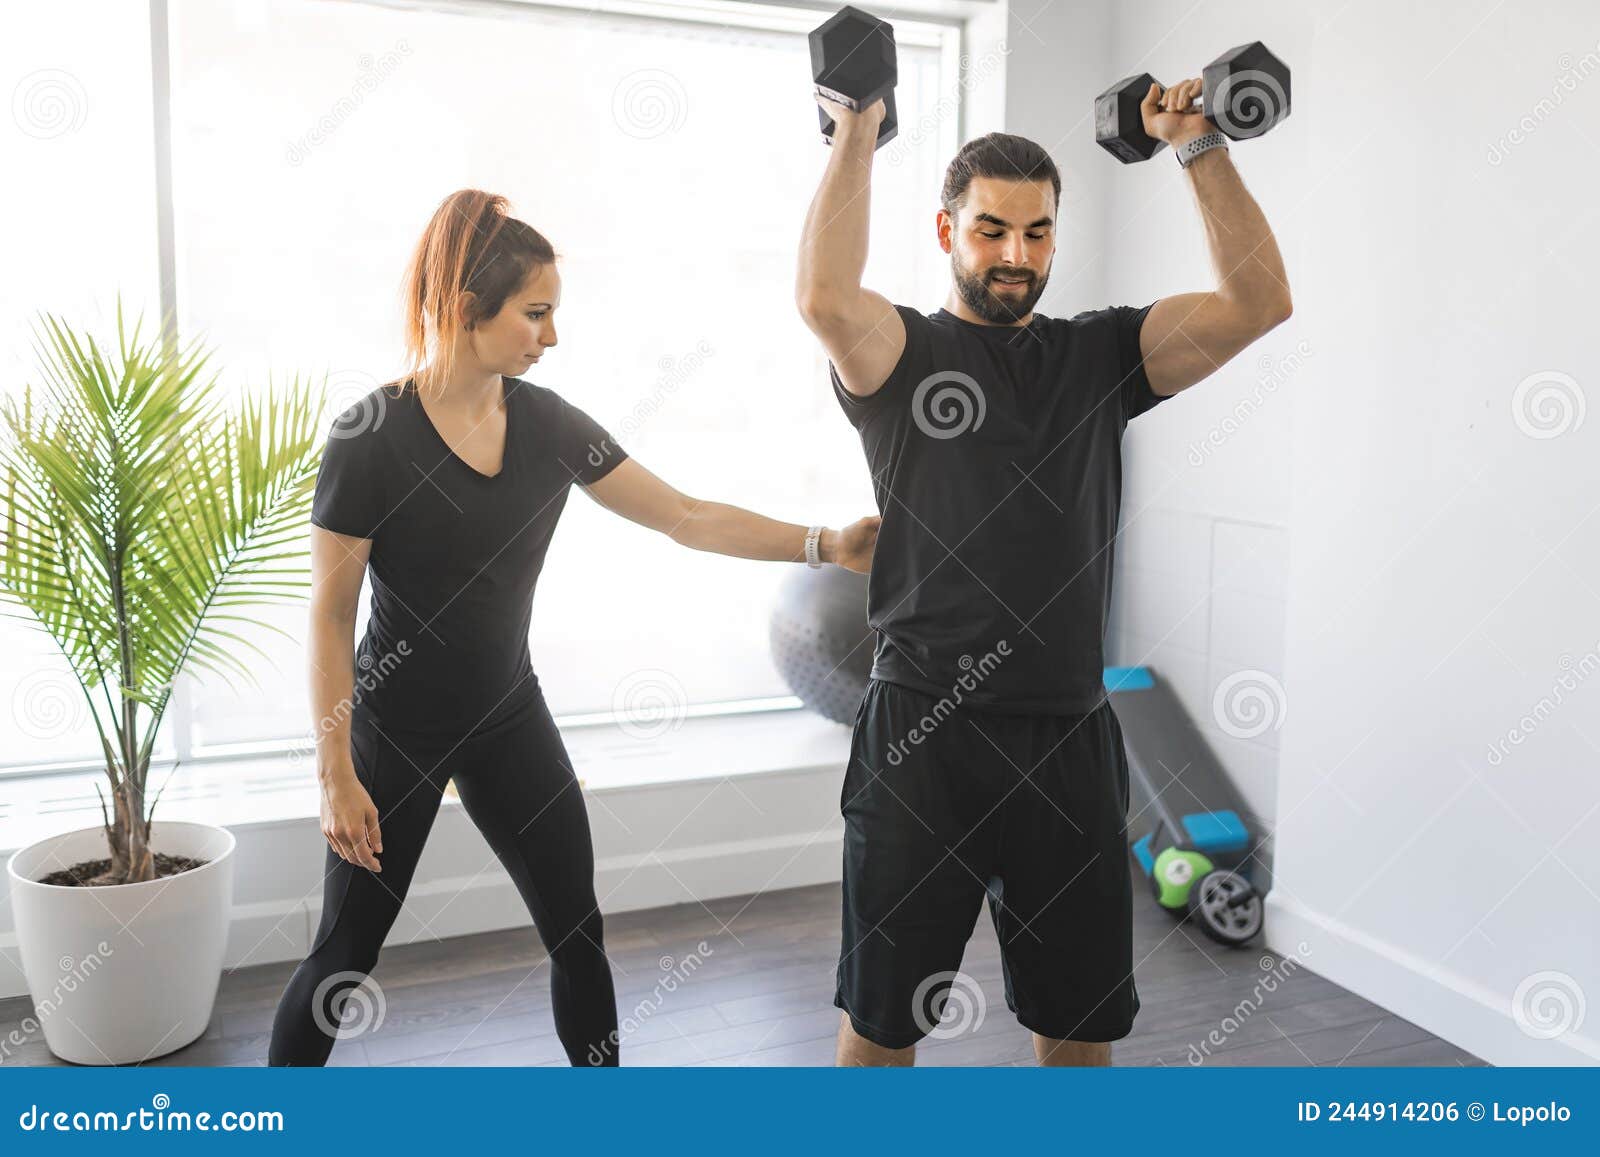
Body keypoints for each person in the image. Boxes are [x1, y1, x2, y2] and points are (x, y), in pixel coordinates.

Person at [268, 189, 880, 1066]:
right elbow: (330, 614)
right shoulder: (370, 435)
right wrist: (335, 772)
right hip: (393, 730)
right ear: (464, 307)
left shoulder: (548, 424)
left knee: (576, 928)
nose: (550, 337)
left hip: (507, 714)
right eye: (536, 313)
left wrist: (826, 543)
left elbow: (683, 513)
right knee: (345, 954)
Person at [797, 79, 1292, 1066]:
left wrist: (1196, 142)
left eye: (1037, 232)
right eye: (991, 230)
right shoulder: (899, 355)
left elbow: (1258, 301)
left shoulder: (1100, 354)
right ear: (946, 230)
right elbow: (821, 296)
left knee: (1080, 1021)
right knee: (881, 1023)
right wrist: (854, 132)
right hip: (922, 738)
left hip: (1067, 735)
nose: (1016, 255)